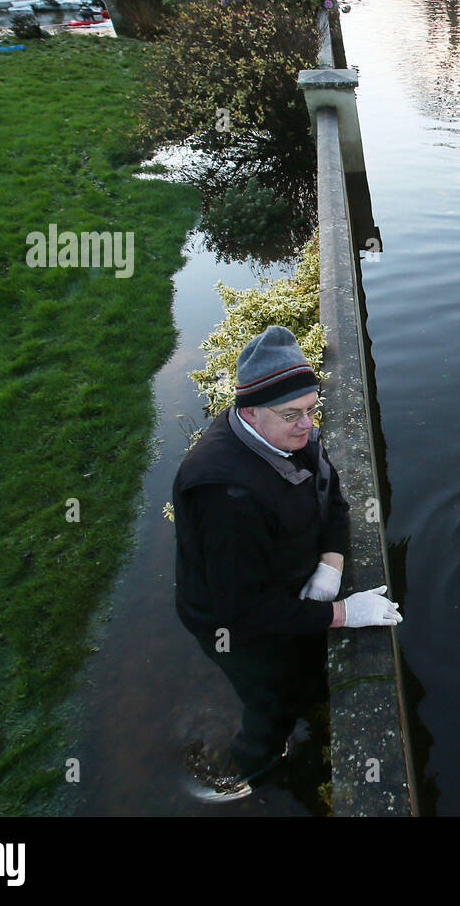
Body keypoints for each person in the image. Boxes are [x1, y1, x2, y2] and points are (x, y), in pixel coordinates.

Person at [173, 324, 401, 796]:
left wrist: (331, 566)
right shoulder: (224, 494)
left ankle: (309, 701)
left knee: (300, 670)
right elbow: (244, 610)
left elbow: (332, 499)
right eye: (292, 414)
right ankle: (249, 776)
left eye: (312, 411)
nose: (307, 425)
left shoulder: (293, 438)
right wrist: (341, 613)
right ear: (250, 413)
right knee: (271, 701)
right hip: (235, 624)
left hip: (287, 589)